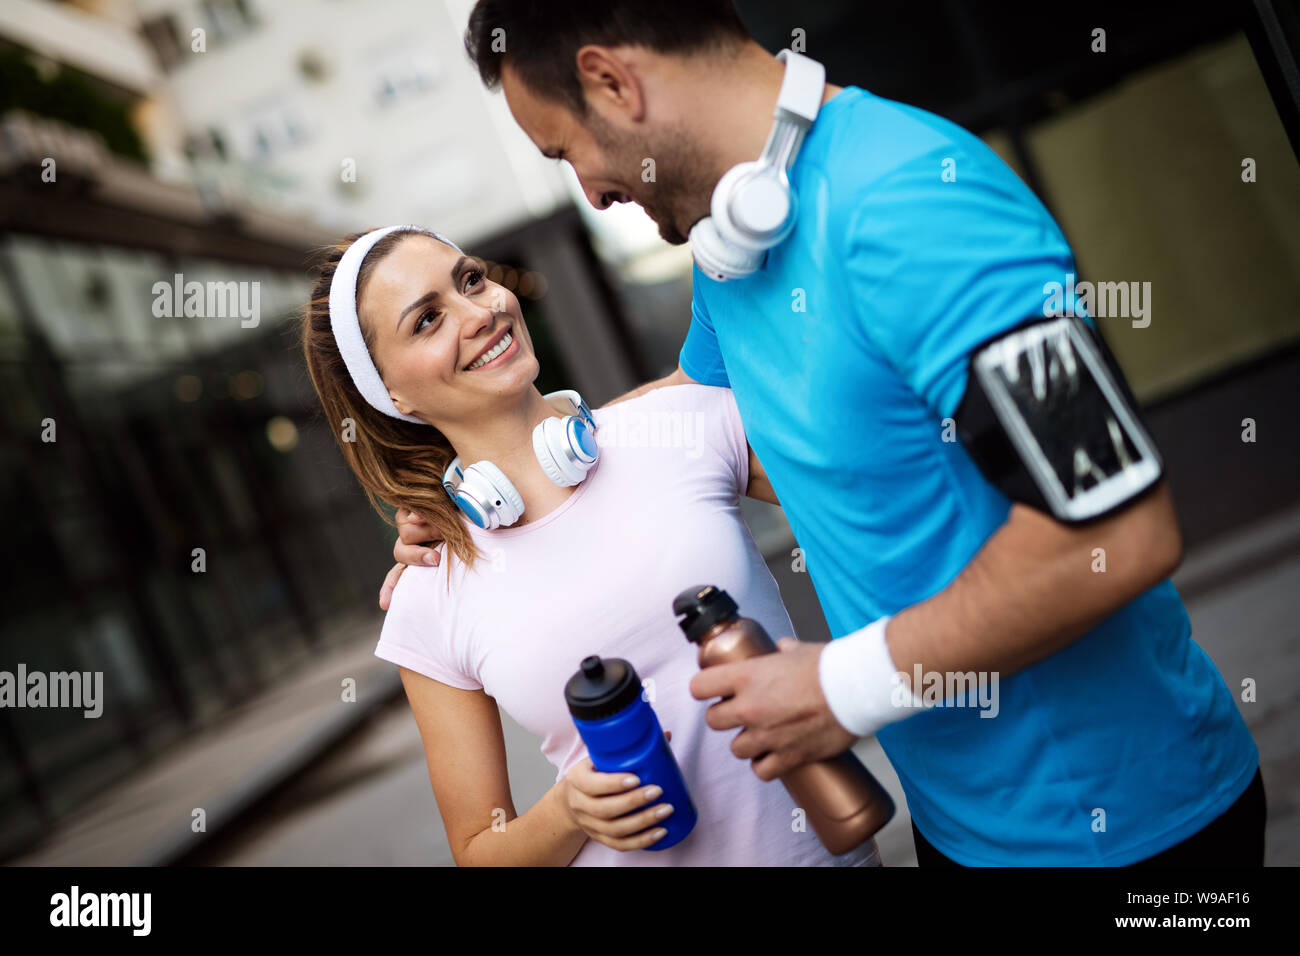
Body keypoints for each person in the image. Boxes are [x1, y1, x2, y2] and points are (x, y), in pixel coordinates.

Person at [385, 0, 1265, 866]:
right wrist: (492, 488)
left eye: (565, 152)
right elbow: (683, 405)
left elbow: (1117, 532)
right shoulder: (732, 247)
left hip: (1127, 828)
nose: (593, 191)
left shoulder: (917, 204)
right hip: (958, 828)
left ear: (611, 82)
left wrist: (836, 689)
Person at [302, 223, 881, 867]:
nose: (480, 311)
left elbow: (880, 498)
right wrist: (566, 812)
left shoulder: (683, 425)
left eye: (471, 280)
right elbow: (478, 852)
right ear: (390, 394)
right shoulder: (428, 591)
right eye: (428, 320)